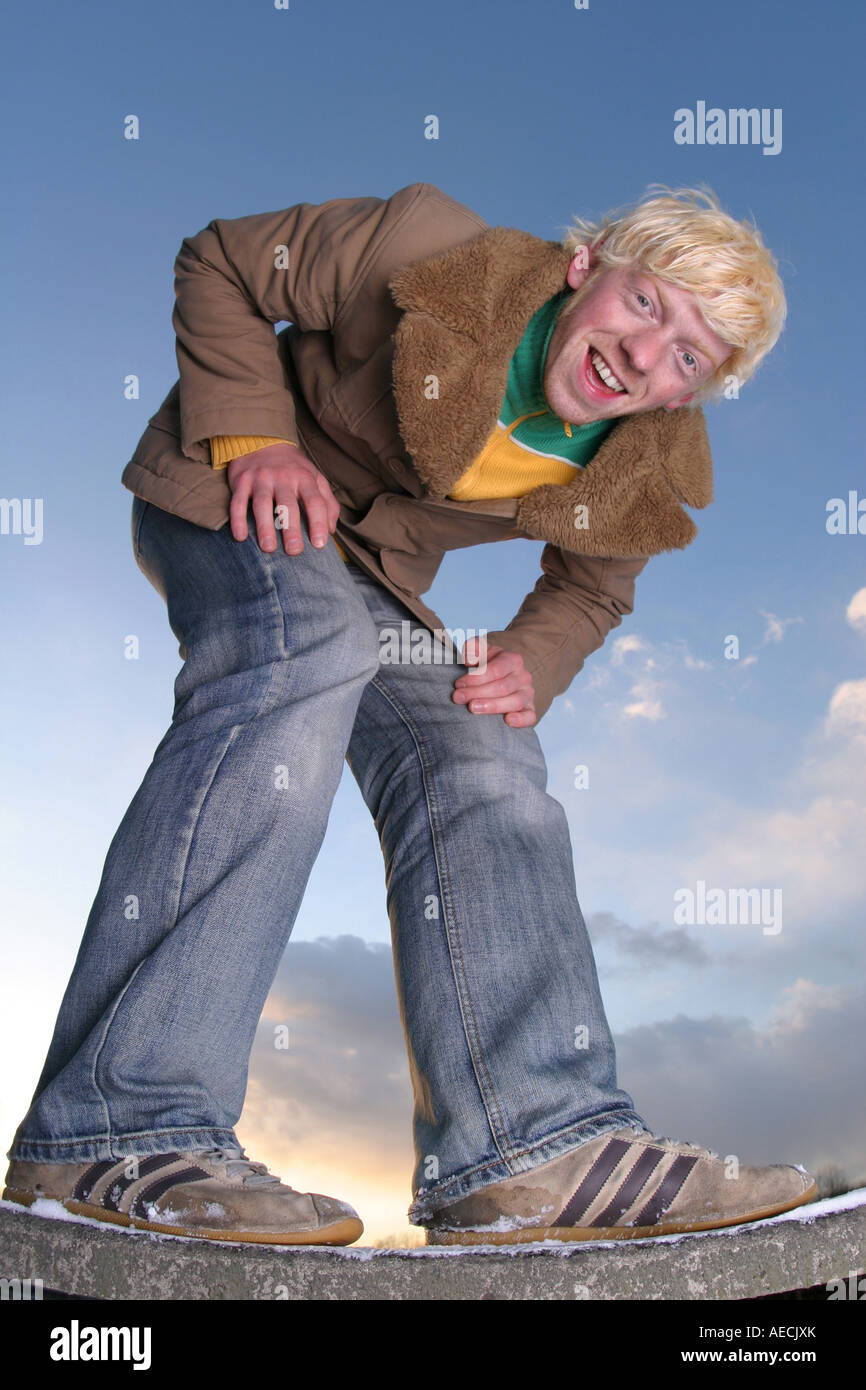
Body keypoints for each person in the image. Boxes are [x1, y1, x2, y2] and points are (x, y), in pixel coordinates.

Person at [4, 181, 816, 1246]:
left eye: (687, 359)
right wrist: (255, 434)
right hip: (226, 487)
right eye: (644, 304)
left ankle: (530, 1146)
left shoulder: (644, 461)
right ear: (584, 268)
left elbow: (591, 590)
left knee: (480, 741)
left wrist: (530, 660)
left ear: (686, 397)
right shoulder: (424, 248)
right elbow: (221, 262)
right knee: (308, 651)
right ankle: (114, 1121)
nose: (645, 353)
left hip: (365, 572)